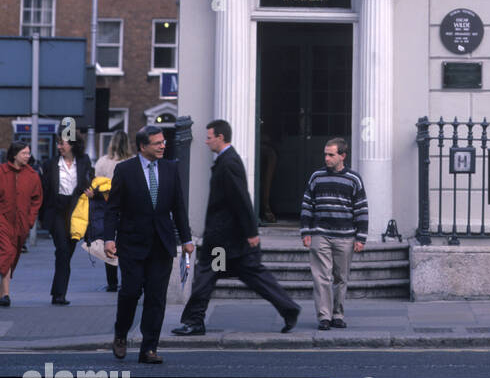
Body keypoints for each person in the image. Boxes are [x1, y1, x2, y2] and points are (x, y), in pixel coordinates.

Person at [173, 119, 299, 336]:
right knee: (250, 275)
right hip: (230, 240)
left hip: (222, 240)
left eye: (209, 137)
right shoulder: (227, 160)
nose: (206, 141)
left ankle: (194, 321)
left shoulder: (229, 162)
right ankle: (288, 308)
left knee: (206, 276)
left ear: (220, 137)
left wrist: (251, 232)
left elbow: (241, 199)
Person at [103, 125, 192, 365]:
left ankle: (149, 348)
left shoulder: (170, 168)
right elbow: (112, 209)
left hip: (161, 244)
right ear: (143, 146)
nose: (163, 146)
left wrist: (186, 239)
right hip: (132, 243)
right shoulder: (125, 170)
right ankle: (121, 333)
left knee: (156, 297)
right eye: (157, 143)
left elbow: (179, 207)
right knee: (130, 292)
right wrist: (109, 238)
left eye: (163, 142)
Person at [299, 137, 367, 330]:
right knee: (321, 277)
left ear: (342, 156)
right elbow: (307, 205)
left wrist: (361, 237)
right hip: (320, 234)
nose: (326, 158)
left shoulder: (354, 179)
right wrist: (305, 231)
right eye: (325, 154)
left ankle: (337, 314)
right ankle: (324, 316)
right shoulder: (316, 177)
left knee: (341, 278)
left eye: (331, 155)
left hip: (345, 236)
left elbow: (361, 209)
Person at [40, 133, 94, 304]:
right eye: (58, 143)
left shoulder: (84, 162)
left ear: (73, 145)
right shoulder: (50, 164)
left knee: (67, 253)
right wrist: (41, 216)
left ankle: (58, 291)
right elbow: (44, 190)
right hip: (56, 210)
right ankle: (59, 295)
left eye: (62, 144)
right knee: (62, 250)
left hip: (75, 212)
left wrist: (92, 193)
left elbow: (90, 183)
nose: (59, 147)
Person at [0, 142, 43, 306]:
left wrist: (30, 220)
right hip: (3, 220)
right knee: (7, 252)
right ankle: (5, 295)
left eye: (28, 153)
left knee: (12, 256)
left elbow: (36, 200)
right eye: (24, 153)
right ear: (14, 154)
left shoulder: (32, 175)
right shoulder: (1, 172)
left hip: (21, 224)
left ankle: (2, 292)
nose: (27, 156)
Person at [94, 131, 132, 291]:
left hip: (107, 206)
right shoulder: (132, 161)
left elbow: (95, 183)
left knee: (109, 241)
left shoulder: (102, 162)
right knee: (126, 244)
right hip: (128, 207)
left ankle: (112, 283)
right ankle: (128, 280)